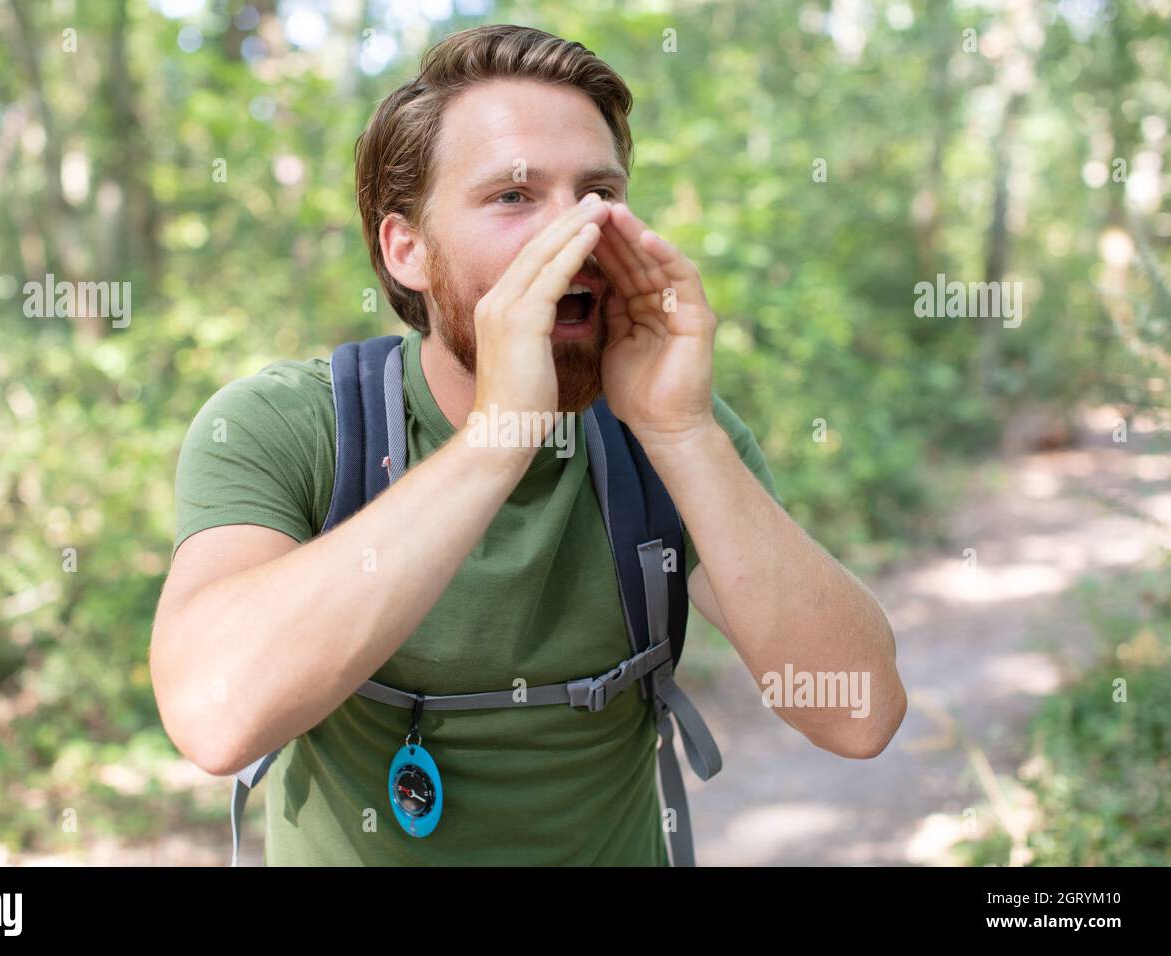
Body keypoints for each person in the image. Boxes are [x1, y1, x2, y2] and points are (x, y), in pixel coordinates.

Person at [149, 24, 906, 866]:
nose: (576, 232)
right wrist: (497, 439)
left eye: (598, 193)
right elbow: (214, 716)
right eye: (514, 197)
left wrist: (681, 432)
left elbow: (860, 714)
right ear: (407, 249)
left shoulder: (666, 430)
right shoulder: (290, 426)